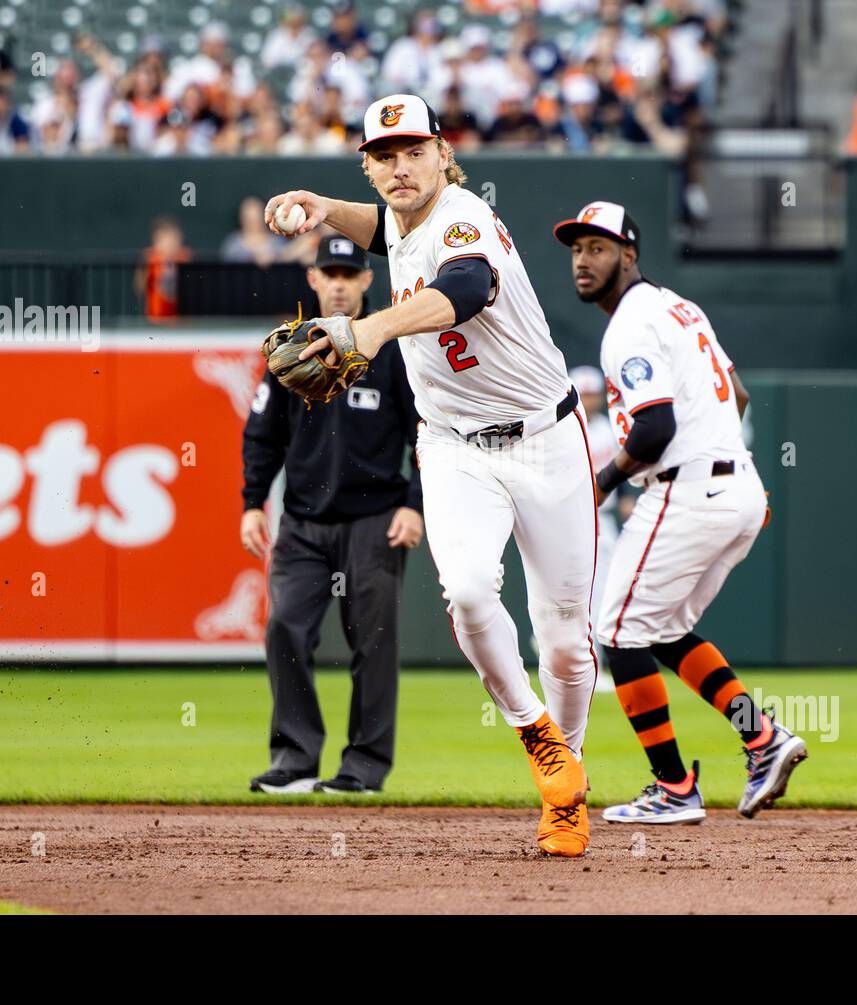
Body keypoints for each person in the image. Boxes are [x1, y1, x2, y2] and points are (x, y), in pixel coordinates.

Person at [264, 93, 598, 857]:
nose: (399, 166)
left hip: (547, 439)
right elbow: (384, 228)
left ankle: (569, 774)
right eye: (383, 156)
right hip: (453, 447)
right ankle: (537, 738)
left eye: (414, 150)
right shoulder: (402, 220)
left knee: (567, 644)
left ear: (444, 155)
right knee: (472, 592)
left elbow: (469, 287)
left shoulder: (463, 217)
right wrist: (321, 208)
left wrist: (371, 326)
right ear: (369, 167)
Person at [554, 199, 807, 825]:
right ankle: (763, 739)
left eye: (599, 248)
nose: (584, 261)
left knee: (615, 631)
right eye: (578, 250)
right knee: (660, 632)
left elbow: (655, 428)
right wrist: (723, 464)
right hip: (735, 488)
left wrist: (604, 482)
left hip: (692, 489)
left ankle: (672, 788)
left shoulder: (630, 326)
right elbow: (739, 395)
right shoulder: (679, 307)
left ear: (629, 254)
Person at [243, 236, 424, 795]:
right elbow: (261, 435)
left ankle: (364, 767)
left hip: (374, 521)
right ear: (314, 279)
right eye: (330, 272)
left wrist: (415, 505)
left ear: (369, 282)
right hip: (302, 523)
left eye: (351, 273)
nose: (340, 282)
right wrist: (252, 502)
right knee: (284, 628)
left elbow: (429, 433)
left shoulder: (391, 349)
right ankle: (295, 759)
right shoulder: (290, 348)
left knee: (373, 642)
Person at [569, 365, 619, 693]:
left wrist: (626, 496)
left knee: (605, 592)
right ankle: (580, 659)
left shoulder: (609, 428)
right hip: (573, 516)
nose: (589, 399)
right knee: (579, 590)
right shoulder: (567, 426)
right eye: (583, 393)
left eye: (593, 393)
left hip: (607, 518)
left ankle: (593, 664)